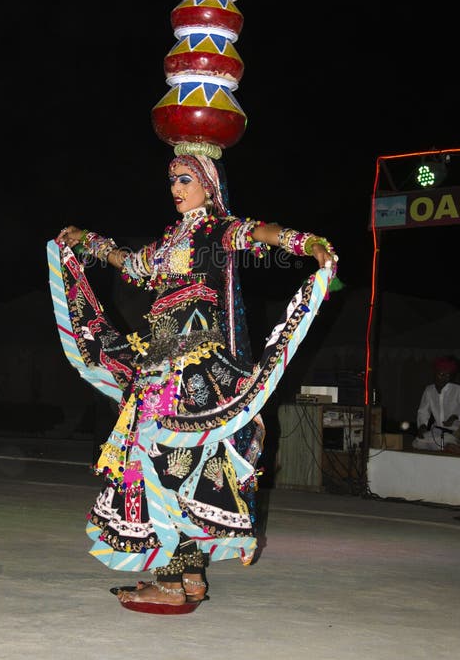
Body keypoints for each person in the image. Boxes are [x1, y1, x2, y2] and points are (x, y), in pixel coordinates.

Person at [48, 152, 338, 610]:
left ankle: (174, 580)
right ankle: (189, 578)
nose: (176, 189)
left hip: (192, 364)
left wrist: (305, 243)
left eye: (185, 179)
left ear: (207, 183)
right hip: (161, 360)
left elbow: (258, 232)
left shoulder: (215, 229)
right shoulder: (174, 238)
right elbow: (133, 264)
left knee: (162, 464)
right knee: (171, 464)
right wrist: (89, 242)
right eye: (171, 181)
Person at [412, 356, 460, 451]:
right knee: (418, 442)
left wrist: (456, 417)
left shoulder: (459, 391)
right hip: (437, 432)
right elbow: (423, 411)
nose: (444, 378)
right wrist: (422, 426)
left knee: (445, 444)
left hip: (457, 432)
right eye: (441, 374)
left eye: (448, 376)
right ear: (434, 373)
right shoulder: (429, 390)